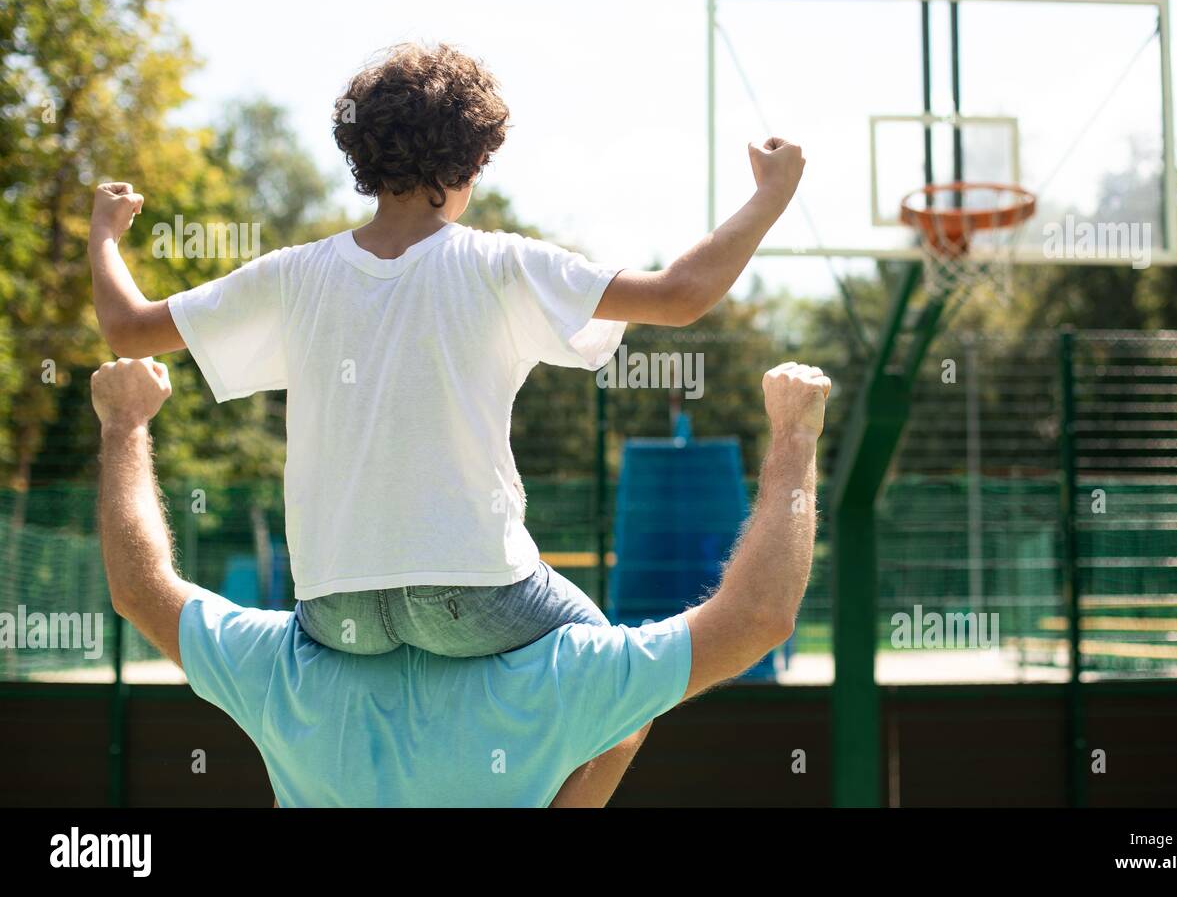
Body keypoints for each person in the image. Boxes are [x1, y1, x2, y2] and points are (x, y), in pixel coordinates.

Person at [86, 41, 803, 796]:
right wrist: (771, 194)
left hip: (333, 610)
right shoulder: (497, 263)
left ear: (362, 156)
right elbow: (682, 295)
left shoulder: (296, 274)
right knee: (628, 700)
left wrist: (105, 232)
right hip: (480, 596)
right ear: (470, 163)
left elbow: (128, 328)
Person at [93, 356, 829, 806]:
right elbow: (139, 589)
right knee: (623, 708)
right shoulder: (562, 684)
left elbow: (752, 622)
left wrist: (796, 434)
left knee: (624, 711)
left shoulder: (563, 691)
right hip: (366, 622)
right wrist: (125, 424)